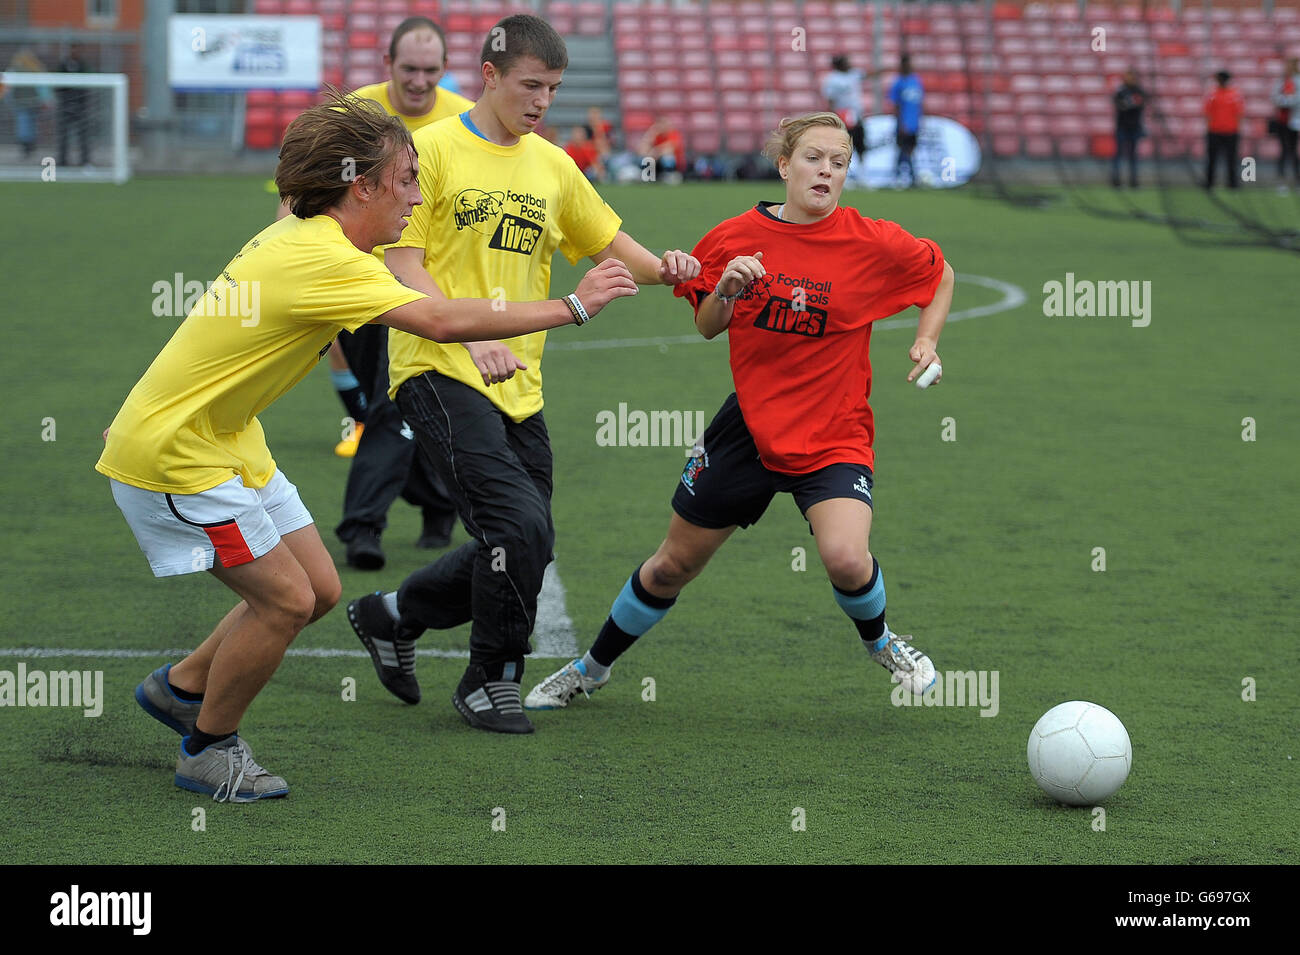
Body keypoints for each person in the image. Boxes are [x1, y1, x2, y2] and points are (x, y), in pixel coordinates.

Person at [99, 91, 637, 801]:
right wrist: (573, 304)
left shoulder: (322, 237)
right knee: (286, 601)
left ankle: (182, 686)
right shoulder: (323, 256)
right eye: (407, 180)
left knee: (320, 589)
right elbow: (440, 319)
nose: (418, 196)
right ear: (362, 187)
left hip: (227, 442)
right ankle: (208, 748)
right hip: (175, 459)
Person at [524, 111, 955, 714]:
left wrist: (927, 340)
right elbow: (705, 328)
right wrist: (725, 289)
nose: (826, 171)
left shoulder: (872, 241)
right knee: (672, 566)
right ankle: (590, 668)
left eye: (839, 161)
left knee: (846, 557)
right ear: (783, 165)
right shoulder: (731, 238)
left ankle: (882, 642)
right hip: (749, 429)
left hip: (834, 432)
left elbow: (940, 274)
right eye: (813, 158)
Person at [344, 14, 700, 734]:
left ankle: (392, 615)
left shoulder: (553, 165)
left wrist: (674, 270)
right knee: (516, 524)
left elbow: (613, 246)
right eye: (530, 85)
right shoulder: (430, 152)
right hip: (436, 366)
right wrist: (469, 337)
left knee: (523, 543)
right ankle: (490, 678)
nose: (542, 102)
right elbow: (403, 268)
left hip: (519, 382)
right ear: (490, 75)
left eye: (554, 89)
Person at [288, 15, 476, 569]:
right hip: (355, 284)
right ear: (387, 64)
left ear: (445, 70)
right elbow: (302, 189)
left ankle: (362, 527)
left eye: (431, 70)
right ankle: (436, 501)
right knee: (387, 403)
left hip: (421, 289)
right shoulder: (356, 116)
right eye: (409, 68)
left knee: (391, 406)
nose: (419, 81)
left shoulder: (463, 118)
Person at [822, 54, 867, 179]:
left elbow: (868, 75)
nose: (849, 64)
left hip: (856, 116)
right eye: (846, 61)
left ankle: (862, 175)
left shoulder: (854, 74)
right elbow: (830, 100)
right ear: (840, 64)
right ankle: (843, 175)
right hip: (843, 116)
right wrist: (834, 119)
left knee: (860, 145)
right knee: (843, 147)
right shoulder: (832, 80)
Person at [3, 48, 52, 159]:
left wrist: (46, 100)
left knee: (27, 124)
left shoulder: (35, 69)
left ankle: (28, 145)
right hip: (23, 102)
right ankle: (27, 146)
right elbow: (7, 86)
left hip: (30, 102)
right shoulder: (15, 70)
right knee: (26, 123)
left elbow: (42, 87)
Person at [1204, 70, 1244, 190]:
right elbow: (1207, 112)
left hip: (1231, 131)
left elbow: (1239, 114)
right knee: (1212, 159)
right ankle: (1209, 182)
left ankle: (1232, 183)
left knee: (1231, 159)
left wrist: (1237, 129)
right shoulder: (1212, 94)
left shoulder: (1235, 95)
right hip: (1214, 131)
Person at [889, 55, 924, 188]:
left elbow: (919, 103)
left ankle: (901, 176)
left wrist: (921, 119)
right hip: (903, 122)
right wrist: (901, 121)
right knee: (903, 149)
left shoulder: (916, 81)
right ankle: (907, 177)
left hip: (915, 122)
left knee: (910, 150)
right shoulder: (898, 82)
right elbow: (896, 105)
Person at [56, 45, 91, 167]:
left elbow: (88, 84)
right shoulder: (63, 65)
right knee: (63, 135)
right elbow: (57, 84)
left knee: (83, 135)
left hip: (80, 106)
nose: (74, 52)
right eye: (72, 49)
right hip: (65, 105)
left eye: (77, 49)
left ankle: (85, 160)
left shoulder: (83, 65)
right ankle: (62, 160)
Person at [1112, 68, 1146, 188]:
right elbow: (1119, 104)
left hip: (1135, 127)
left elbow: (1141, 104)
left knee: (1133, 155)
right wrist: (1131, 104)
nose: (1130, 79)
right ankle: (1116, 180)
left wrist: (1128, 104)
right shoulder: (1121, 90)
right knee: (1118, 154)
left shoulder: (1139, 90)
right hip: (1122, 126)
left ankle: (1133, 180)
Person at [1271, 57, 1299, 186]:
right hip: (1284, 120)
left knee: (1292, 150)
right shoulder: (1282, 81)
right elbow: (1275, 98)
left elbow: (1296, 100)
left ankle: (1296, 177)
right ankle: (1282, 178)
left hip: (1295, 120)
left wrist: (1286, 100)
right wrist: (1287, 100)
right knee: (1285, 150)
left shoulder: (1297, 81)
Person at [637, 115, 686, 183]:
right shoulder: (655, 135)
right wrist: (650, 134)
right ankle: (648, 178)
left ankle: (669, 176)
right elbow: (642, 151)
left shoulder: (673, 134)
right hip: (656, 162)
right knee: (646, 159)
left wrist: (655, 152)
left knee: (668, 157)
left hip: (674, 165)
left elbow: (669, 148)